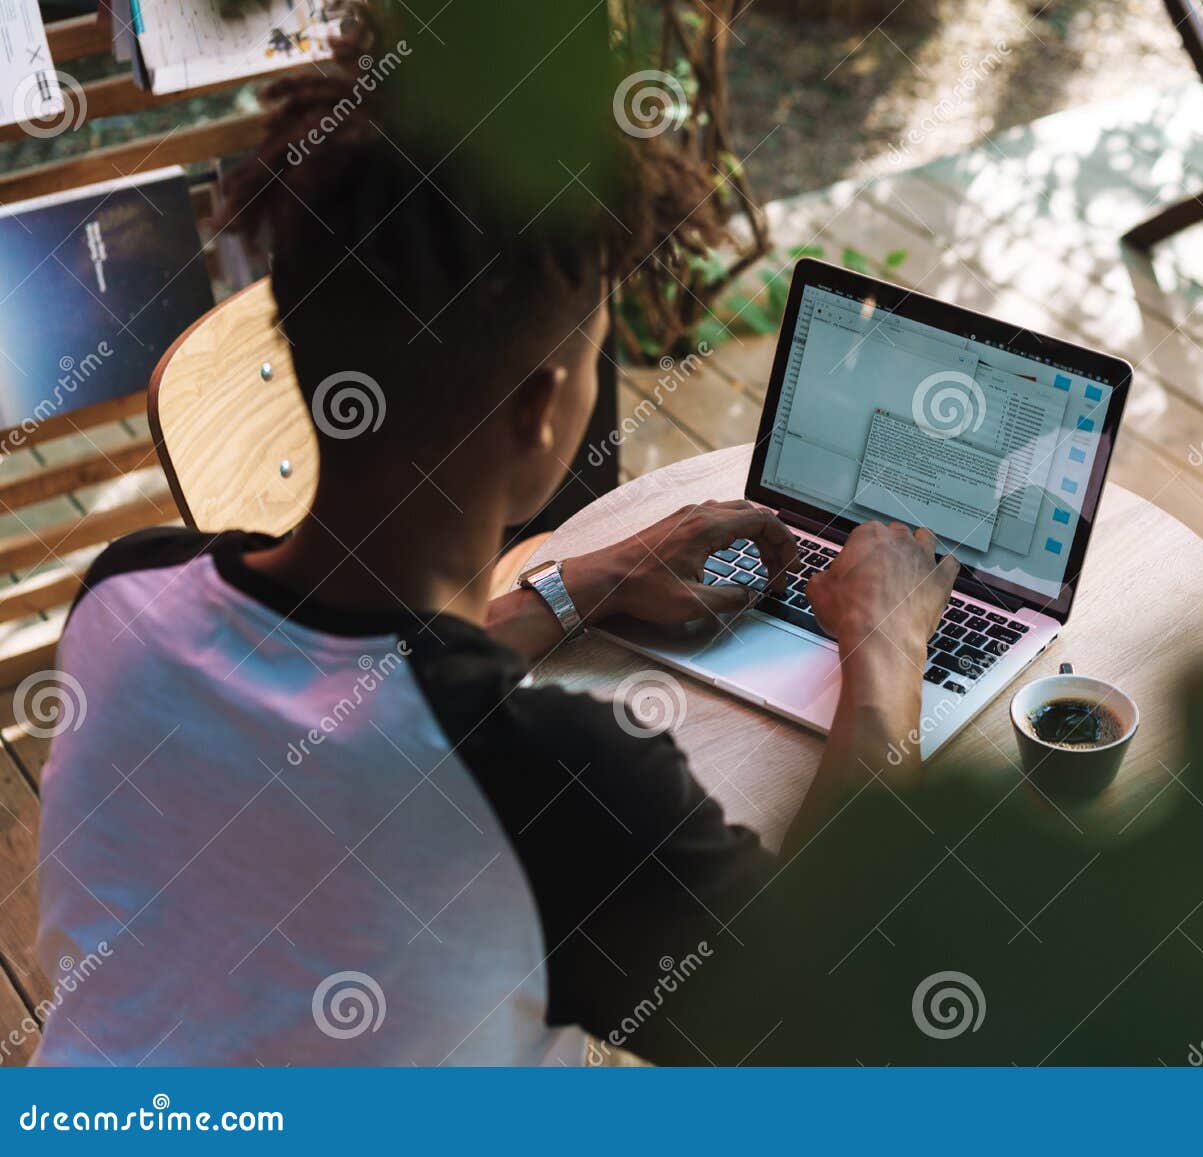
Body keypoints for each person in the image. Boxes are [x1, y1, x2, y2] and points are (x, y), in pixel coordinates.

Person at [30, 9, 955, 1066]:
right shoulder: (557, 786)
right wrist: (885, 643)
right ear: (542, 407)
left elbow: (354, 697)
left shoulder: (122, 594)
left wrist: (584, 585)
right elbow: (834, 1014)